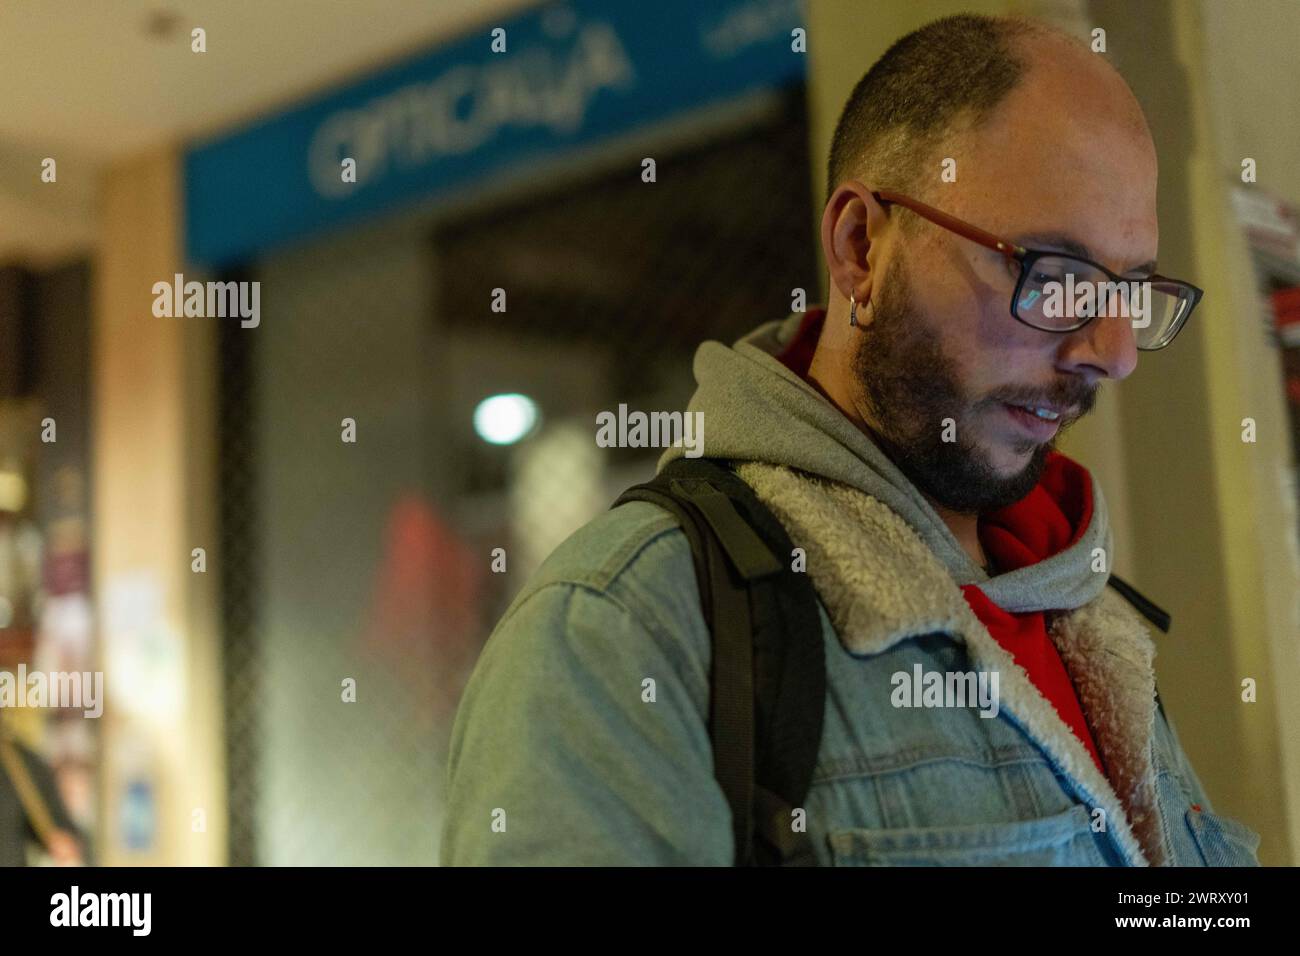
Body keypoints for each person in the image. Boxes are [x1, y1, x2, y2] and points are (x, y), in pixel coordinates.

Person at [440, 13, 1261, 866]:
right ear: (862, 247)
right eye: (1053, 276)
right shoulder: (627, 631)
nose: (1115, 354)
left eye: (1131, 291)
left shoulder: (1086, 614)